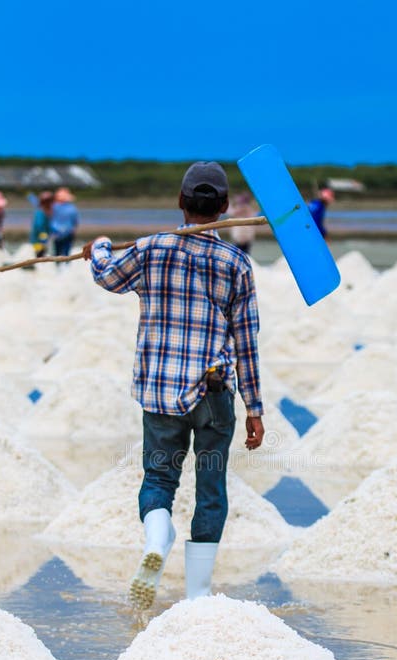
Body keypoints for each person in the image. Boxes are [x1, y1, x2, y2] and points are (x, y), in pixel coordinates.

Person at [83, 161, 265, 605]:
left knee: (159, 479)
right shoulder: (236, 263)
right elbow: (246, 341)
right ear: (224, 207)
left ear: (180, 202)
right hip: (213, 393)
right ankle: (198, 595)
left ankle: (154, 542)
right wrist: (255, 407)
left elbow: (107, 276)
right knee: (210, 487)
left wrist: (100, 247)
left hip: (160, 391)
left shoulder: (151, 249)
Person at [51, 187, 79, 257]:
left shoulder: (53, 207)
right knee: (66, 251)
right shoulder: (72, 208)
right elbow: (75, 222)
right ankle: (65, 263)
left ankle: (57, 264)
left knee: (57, 251)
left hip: (56, 232)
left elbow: (50, 219)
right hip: (68, 232)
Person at [227, 191, 258, 255]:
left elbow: (230, 212)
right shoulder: (248, 210)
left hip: (243, 238)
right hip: (242, 238)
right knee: (244, 255)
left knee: (240, 255)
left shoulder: (246, 210)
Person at [30, 191, 54, 257]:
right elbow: (39, 226)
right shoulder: (40, 212)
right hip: (37, 239)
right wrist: (43, 238)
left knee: (43, 253)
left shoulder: (46, 211)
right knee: (38, 254)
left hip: (43, 237)